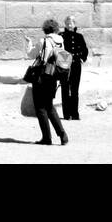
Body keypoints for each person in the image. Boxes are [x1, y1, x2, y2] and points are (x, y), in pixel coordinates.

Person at [26, 18, 70, 146]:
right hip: (54, 77)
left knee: (40, 108)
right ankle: (63, 135)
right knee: (50, 107)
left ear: (45, 29)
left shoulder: (43, 41)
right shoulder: (61, 42)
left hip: (42, 77)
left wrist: (29, 43)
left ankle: (46, 138)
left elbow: (31, 54)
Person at [60, 15, 89, 121]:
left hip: (76, 65)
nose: (69, 24)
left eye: (71, 22)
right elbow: (58, 50)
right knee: (65, 89)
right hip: (64, 66)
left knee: (75, 90)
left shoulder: (79, 36)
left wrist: (82, 58)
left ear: (75, 24)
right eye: (67, 22)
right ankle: (67, 115)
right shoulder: (61, 36)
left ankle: (75, 114)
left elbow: (85, 50)